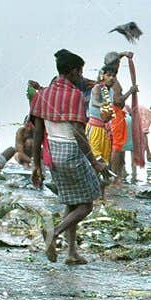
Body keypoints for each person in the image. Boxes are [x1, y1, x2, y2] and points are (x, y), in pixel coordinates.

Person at [30, 48, 108, 266]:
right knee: (86, 206)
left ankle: (71, 252)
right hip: (71, 153)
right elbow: (77, 132)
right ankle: (53, 233)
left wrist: (36, 164)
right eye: (80, 72)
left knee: (72, 202)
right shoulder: (73, 95)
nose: (81, 76)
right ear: (74, 72)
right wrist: (94, 162)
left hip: (52, 153)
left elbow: (37, 132)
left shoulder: (42, 94)